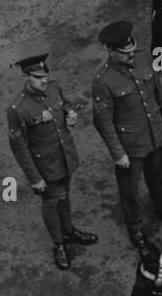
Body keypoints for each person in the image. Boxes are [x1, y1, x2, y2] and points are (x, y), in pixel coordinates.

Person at [91, 20, 162, 254]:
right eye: (124, 53)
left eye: (131, 50)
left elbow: (158, 91)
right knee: (130, 190)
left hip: (154, 132)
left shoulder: (143, 57)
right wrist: (118, 153)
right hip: (130, 145)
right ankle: (135, 227)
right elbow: (102, 121)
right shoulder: (102, 81)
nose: (130, 56)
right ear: (111, 51)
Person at [6, 47, 97, 270]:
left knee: (64, 195)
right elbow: (20, 148)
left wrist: (69, 113)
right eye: (38, 78)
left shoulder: (54, 88)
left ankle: (69, 231)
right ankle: (58, 244)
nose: (44, 81)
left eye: (45, 76)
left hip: (64, 157)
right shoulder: (18, 109)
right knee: (51, 202)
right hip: (45, 166)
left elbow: (63, 104)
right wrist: (34, 178)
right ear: (26, 77)